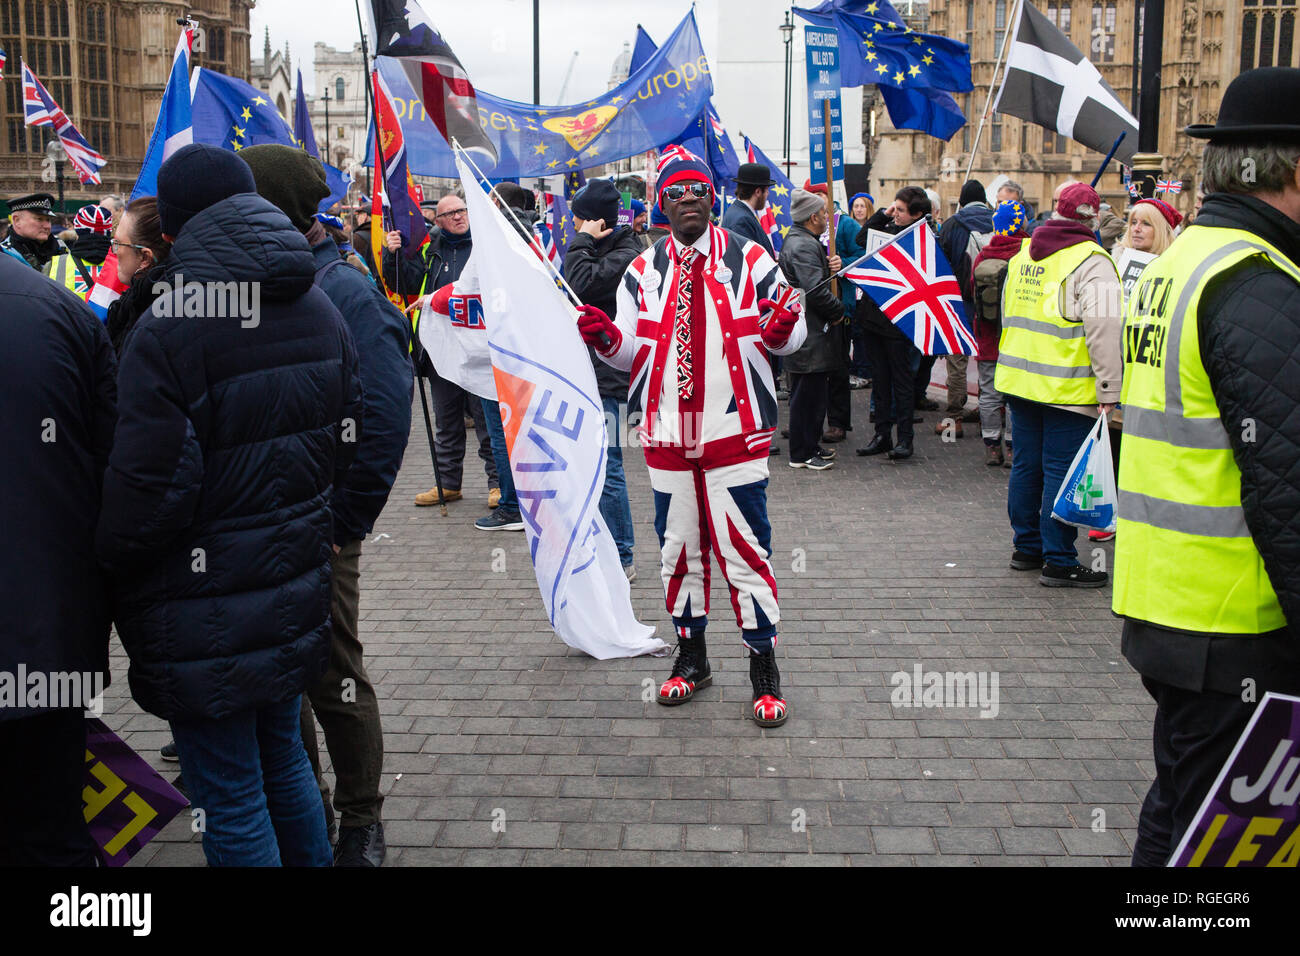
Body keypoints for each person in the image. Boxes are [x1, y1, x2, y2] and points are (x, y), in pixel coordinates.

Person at [96, 143, 361, 867]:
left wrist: (105, 558)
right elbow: (348, 437)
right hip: (290, 583)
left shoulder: (170, 326)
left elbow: (151, 489)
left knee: (232, 793)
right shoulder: (315, 304)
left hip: (200, 603)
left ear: (174, 228)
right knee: (284, 763)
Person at [1115, 66, 1300, 866]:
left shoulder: (1183, 262)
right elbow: (1287, 486)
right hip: (1235, 619)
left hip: (1171, 600)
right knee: (1218, 835)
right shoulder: (1255, 281)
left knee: (1187, 809)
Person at [576, 146, 805, 728]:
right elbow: (634, 352)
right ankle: (693, 657)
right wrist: (607, 340)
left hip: (737, 434)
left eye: (698, 191)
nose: (688, 201)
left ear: (714, 198)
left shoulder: (751, 260)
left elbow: (790, 332)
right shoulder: (641, 271)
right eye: (676, 193)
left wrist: (784, 330)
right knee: (678, 549)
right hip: (665, 435)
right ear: (661, 203)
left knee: (746, 551)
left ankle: (763, 666)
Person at [242, 143, 413, 867]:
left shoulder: (344, 289)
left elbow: (384, 413)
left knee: (331, 671)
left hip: (321, 526)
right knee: (281, 675)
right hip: (261, 522)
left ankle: (361, 819)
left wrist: (346, 523)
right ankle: (301, 802)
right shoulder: (261, 282)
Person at [0, 252, 116, 866]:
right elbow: (114, 465)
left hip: (49, 612)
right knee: (52, 829)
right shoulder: (65, 312)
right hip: (49, 622)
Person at [995, 182, 1123, 587]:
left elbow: (1007, 314)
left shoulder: (1022, 254)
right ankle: (1059, 559)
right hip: (1067, 387)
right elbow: (1104, 330)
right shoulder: (1093, 261)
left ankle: (1027, 547)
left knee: (1027, 464)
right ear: (1091, 219)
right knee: (1060, 471)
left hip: (1020, 380)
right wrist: (1110, 389)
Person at [384, 193, 499, 508]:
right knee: (446, 422)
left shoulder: (487, 246)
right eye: (451, 213)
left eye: (463, 210)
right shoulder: (429, 250)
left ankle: (498, 483)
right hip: (441, 351)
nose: (459, 216)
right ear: (438, 221)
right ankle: (448, 483)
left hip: (479, 351)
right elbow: (404, 282)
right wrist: (391, 254)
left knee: (487, 423)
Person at [565, 178, 643, 575]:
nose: (572, 227)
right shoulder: (602, 248)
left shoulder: (627, 253)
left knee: (608, 464)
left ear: (594, 221)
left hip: (610, 376)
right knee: (593, 462)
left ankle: (623, 556)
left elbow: (579, 283)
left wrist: (580, 241)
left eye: (578, 220)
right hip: (588, 371)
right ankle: (606, 544)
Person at [856, 186, 932, 459]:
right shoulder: (886, 229)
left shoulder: (925, 238)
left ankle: (905, 439)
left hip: (900, 322)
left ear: (917, 214)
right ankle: (882, 434)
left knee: (901, 381)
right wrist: (883, 214)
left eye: (901, 210)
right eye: (895, 209)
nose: (895, 214)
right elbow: (861, 237)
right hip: (873, 317)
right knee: (880, 378)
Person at [780, 188, 843, 470]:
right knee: (807, 397)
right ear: (813, 217)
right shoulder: (803, 245)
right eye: (825, 212)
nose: (828, 217)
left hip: (811, 333)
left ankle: (810, 445)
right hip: (810, 335)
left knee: (812, 395)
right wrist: (838, 310)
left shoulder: (803, 240)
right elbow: (814, 291)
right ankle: (802, 452)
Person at [970, 200, 1028, 467]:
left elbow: (972, 288)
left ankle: (991, 447)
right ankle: (1014, 447)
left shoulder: (985, 254)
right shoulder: (1028, 253)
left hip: (987, 336)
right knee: (1015, 396)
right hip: (1018, 339)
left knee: (990, 394)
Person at [936, 180, 995, 433]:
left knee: (957, 361)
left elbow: (940, 266)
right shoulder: (998, 222)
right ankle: (987, 411)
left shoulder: (952, 225)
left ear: (961, 199)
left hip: (959, 301)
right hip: (993, 304)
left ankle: (953, 421)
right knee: (989, 359)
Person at [105, 197, 172, 354]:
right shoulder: (133, 304)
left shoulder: (152, 326)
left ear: (145, 258)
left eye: (118, 243)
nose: (114, 251)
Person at [838, 192, 874, 390]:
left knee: (861, 334)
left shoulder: (873, 229)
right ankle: (854, 369)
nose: (859, 209)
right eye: (855, 206)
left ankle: (863, 371)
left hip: (866, 289)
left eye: (862, 206)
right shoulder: (846, 227)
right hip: (852, 290)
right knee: (853, 331)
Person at [721, 162, 776, 255]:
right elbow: (746, 259)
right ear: (758, 192)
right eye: (766, 190)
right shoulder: (741, 220)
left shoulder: (739, 212)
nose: (768, 194)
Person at [1, 193, 60, 272]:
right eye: (39, 219)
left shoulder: (61, 246)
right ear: (17, 220)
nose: (47, 226)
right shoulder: (4, 255)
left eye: (48, 220)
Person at [1113, 197, 1182, 256]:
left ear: (1163, 231)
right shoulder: (1114, 263)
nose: (1136, 229)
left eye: (1146, 224)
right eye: (1134, 223)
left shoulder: (1176, 266)